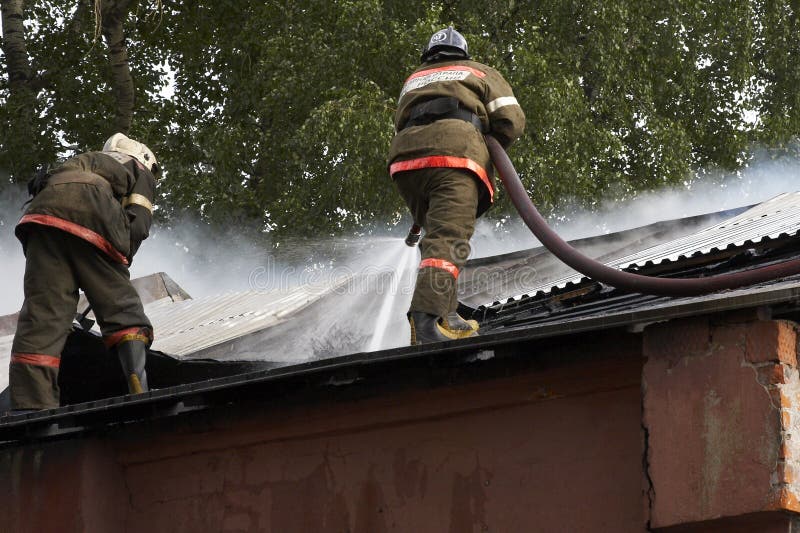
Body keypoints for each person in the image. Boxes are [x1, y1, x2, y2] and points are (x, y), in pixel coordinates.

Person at [389, 27, 526, 345]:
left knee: (436, 237)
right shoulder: (478, 71)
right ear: (463, 53)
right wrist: (486, 144)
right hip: (455, 157)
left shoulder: (414, 79)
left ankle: (447, 315)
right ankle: (425, 321)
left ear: (429, 55)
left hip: (405, 163)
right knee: (449, 238)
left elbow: (400, 122)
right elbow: (510, 120)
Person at [8, 133, 159, 412]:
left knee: (42, 319)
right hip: (91, 210)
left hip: (42, 220)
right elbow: (138, 224)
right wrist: (115, 264)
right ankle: (139, 388)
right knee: (122, 308)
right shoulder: (139, 167)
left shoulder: (81, 161)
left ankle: (30, 407)